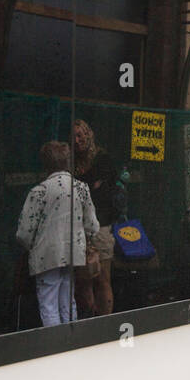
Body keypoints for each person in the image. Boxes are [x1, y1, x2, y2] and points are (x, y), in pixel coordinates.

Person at [16, 141, 98, 327]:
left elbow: (24, 232)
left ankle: (55, 346)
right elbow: (92, 225)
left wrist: (30, 247)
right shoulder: (81, 188)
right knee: (68, 302)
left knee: (48, 303)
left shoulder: (40, 191)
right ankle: (71, 343)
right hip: (73, 253)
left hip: (46, 255)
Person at [72, 119, 119, 316]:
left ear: (89, 135)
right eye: (74, 136)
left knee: (103, 278)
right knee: (83, 280)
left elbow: (101, 192)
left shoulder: (103, 159)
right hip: (77, 228)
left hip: (101, 226)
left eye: (81, 135)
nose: (77, 140)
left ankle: (105, 322)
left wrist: (92, 188)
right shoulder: (71, 164)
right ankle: (89, 321)